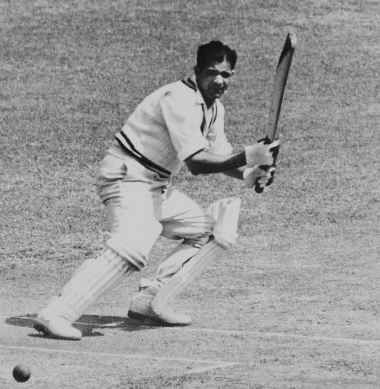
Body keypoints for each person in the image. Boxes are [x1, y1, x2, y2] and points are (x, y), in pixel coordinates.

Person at [34, 40, 280, 340]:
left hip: (157, 186)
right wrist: (250, 155)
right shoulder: (178, 99)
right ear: (197, 70)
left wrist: (250, 174)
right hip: (126, 176)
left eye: (226, 75)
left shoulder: (215, 109)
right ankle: (57, 313)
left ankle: (150, 300)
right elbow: (198, 163)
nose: (219, 81)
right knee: (133, 248)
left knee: (210, 231)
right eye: (212, 72)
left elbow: (219, 154)